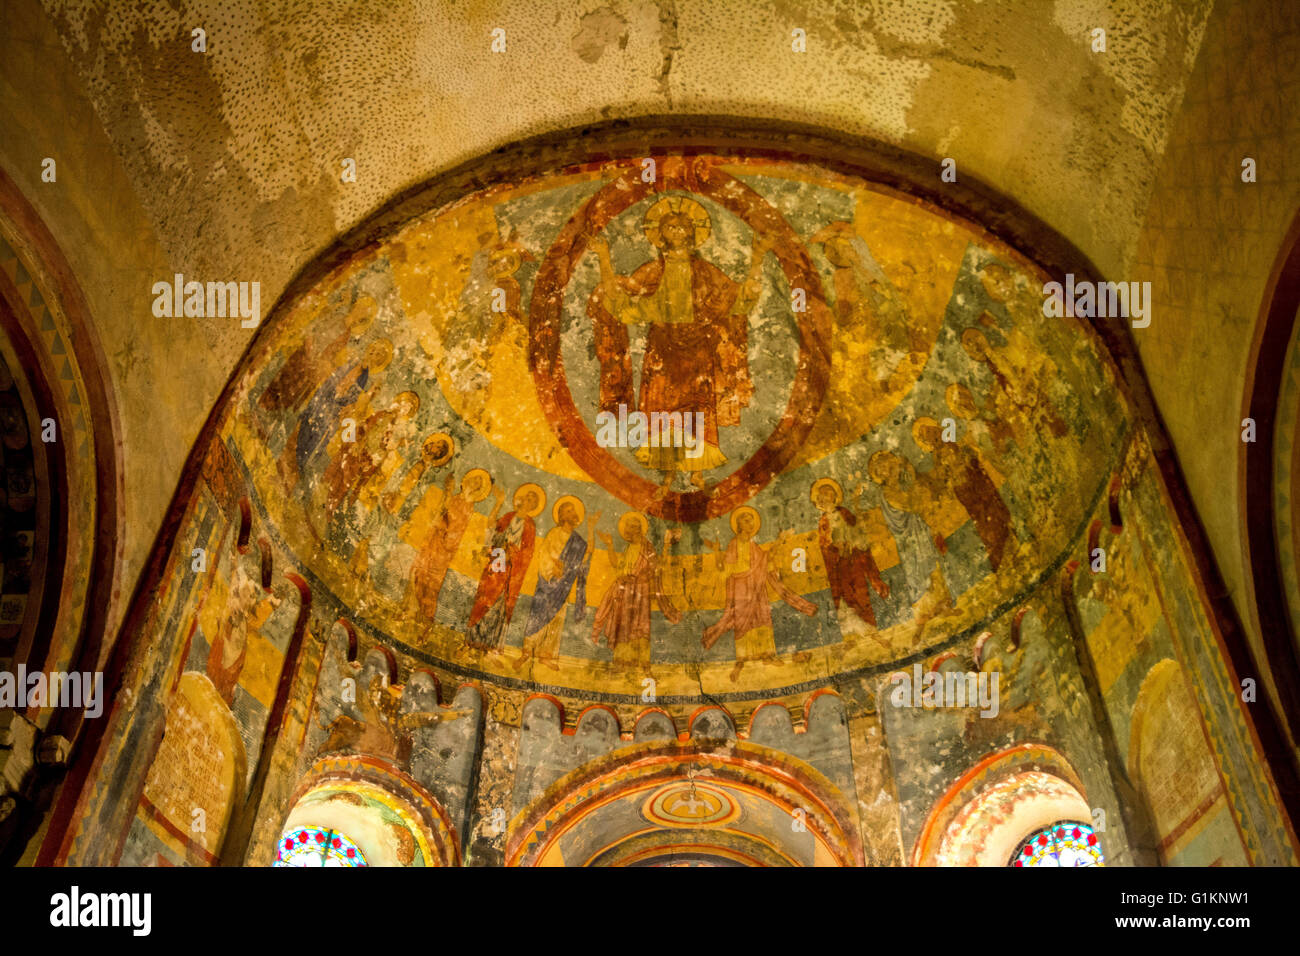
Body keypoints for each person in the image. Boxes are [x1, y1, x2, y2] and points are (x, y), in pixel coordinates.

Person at [588, 195, 772, 492]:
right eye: (670, 226)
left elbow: (740, 301)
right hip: (662, 351)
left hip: (698, 349)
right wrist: (604, 258)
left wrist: (758, 258)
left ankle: (697, 471)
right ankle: (671, 473)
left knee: (696, 409)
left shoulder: (706, 273)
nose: (676, 231)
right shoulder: (652, 271)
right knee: (664, 412)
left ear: (693, 233)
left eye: (682, 226)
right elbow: (621, 305)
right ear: (660, 235)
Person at [702, 507, 816, 682]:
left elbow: (766, 561)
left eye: (751, 520)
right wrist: (718, 552)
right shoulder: (734, 544)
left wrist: (779, 542)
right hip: (742, 588)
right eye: (746, 520)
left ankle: (767, 655)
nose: (750, 523)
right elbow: (727, 570)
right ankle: (740, 662)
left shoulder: (753, 545)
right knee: (742, 624)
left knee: (763, 618)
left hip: (757, 587)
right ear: (738, 524)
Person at [517, 496, 601, 670]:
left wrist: (591, 527)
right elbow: (544, 553)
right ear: (562, 515)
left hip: (563, 586)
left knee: (556, 619)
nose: (573, 514)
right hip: (547, 582)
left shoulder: (577, 540)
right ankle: (526, 652)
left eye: (574, 511)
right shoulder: (554, 533)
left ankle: (546, 655)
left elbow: (587, 553)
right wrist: (551, 568)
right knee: (537, 614)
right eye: (569, 511)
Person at [590, 513, 682, 669]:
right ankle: (621, 662)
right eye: (627, 526)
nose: (627, 530)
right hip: (625, 591)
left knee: (639, 627)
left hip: (640, 591)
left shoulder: (647, 548)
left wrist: (666, 546)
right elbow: (618, 567)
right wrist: (610, 545)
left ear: (639, 530)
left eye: (631, 527)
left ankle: (641, 664)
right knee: (623, 626)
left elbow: (657, 567)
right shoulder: (628, 548)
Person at [465, 484, 545, 652]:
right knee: (484, 597)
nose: (528, 501)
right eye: (528, 497)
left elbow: (527, 553)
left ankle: (488, 647)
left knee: (498, 605)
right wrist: (498, 502)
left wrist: (512, 554)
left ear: (534, 507)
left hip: (510, 570)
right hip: (497, 561)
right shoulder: (509, 516)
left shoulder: (530, 526)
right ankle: (470, 642)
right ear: (521, 499)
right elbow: (491, 529)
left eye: (533, 500)